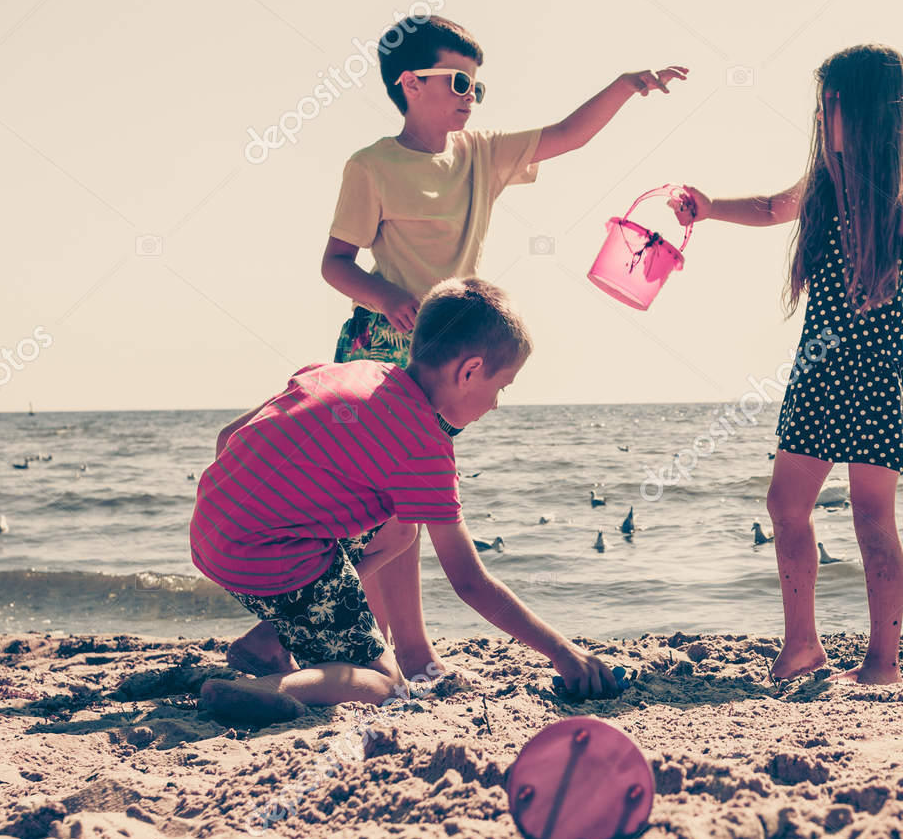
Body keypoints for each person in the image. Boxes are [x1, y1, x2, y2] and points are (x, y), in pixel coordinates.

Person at [225, 12, 686, 682]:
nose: (472, 95)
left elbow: (566, 136)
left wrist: (625, 85)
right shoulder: (372, 166)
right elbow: (335, 262)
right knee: (390, 512)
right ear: (410, 84)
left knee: (402, 511)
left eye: (478, 85)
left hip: (449, 350)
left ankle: (370, 643)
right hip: (382, 344)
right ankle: (399, 649)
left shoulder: (481, 153)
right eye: (459, 80)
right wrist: (386, 297)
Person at [669, 44, 903, 685]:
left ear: (867, 111)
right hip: (818, 375)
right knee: (785, 504)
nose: (818, 114)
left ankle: (883, 661)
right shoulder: (824, 186)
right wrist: (708, 207)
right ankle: (803, 644)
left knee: (872, 519)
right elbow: (768, 208)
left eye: (830, 102)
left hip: (880, 378)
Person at [192, 279, 619, 726]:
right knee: (385, 685)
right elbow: (470, 582)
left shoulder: (347, 370)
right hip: (269, 560)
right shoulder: (425, 447)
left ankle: (269, 639)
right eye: (502, 387)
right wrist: (563, 652)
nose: (495, 405)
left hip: (209, 534)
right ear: (470, 371)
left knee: (400, 528)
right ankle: (256, 689)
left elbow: (226, 439)